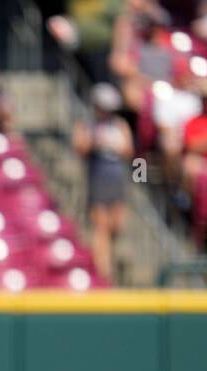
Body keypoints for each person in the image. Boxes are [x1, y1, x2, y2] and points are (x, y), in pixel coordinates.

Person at [75, 83, 133, 281]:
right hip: (98, 176)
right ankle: (104, 272)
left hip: (116, 176)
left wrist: (114, 145)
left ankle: (106, 259)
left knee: (117, 223)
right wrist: (95, 142)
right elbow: (80, 148)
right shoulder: (87, 125)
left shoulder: (119, 125)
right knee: (100, 225)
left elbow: (129, 151)